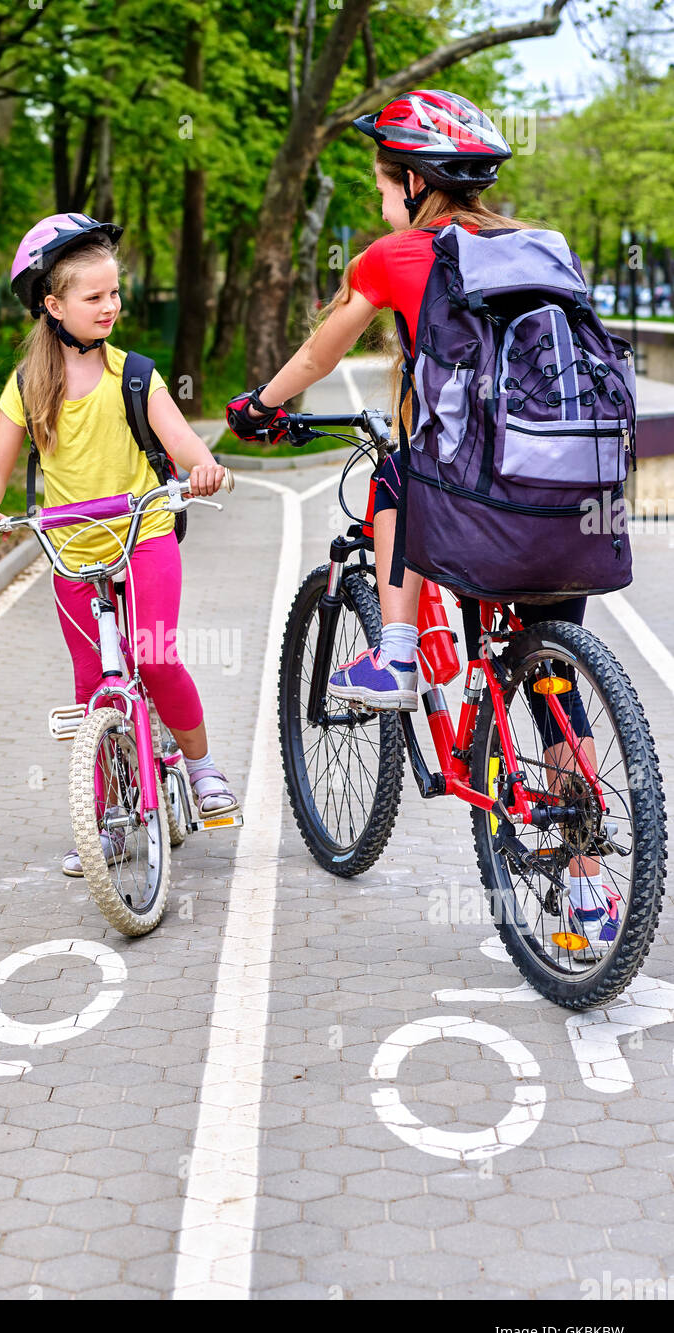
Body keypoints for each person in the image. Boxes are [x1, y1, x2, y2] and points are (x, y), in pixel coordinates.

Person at [227, 91, 618, 951]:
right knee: (554, 692)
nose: (377, 198)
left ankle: (396, 653)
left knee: (399, 473)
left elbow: (321, 350)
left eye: (380, 182)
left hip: (476, 508)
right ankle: (590, 882)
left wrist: (259, 405)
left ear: (411, 181)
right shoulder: (542, 248)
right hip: (569, 499)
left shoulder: (398, 254)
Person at [0, 212, 239, 875]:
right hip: (72, 553)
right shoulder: (29, 386)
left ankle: (200, 768)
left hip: (142, 535)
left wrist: (202, 468)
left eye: (115, 293)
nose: (111, 306)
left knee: (155, 655)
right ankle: (109, 821)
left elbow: (184, 444)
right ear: (52, 305)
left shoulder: (135, 376)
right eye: (95, 297)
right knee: (94, 686)